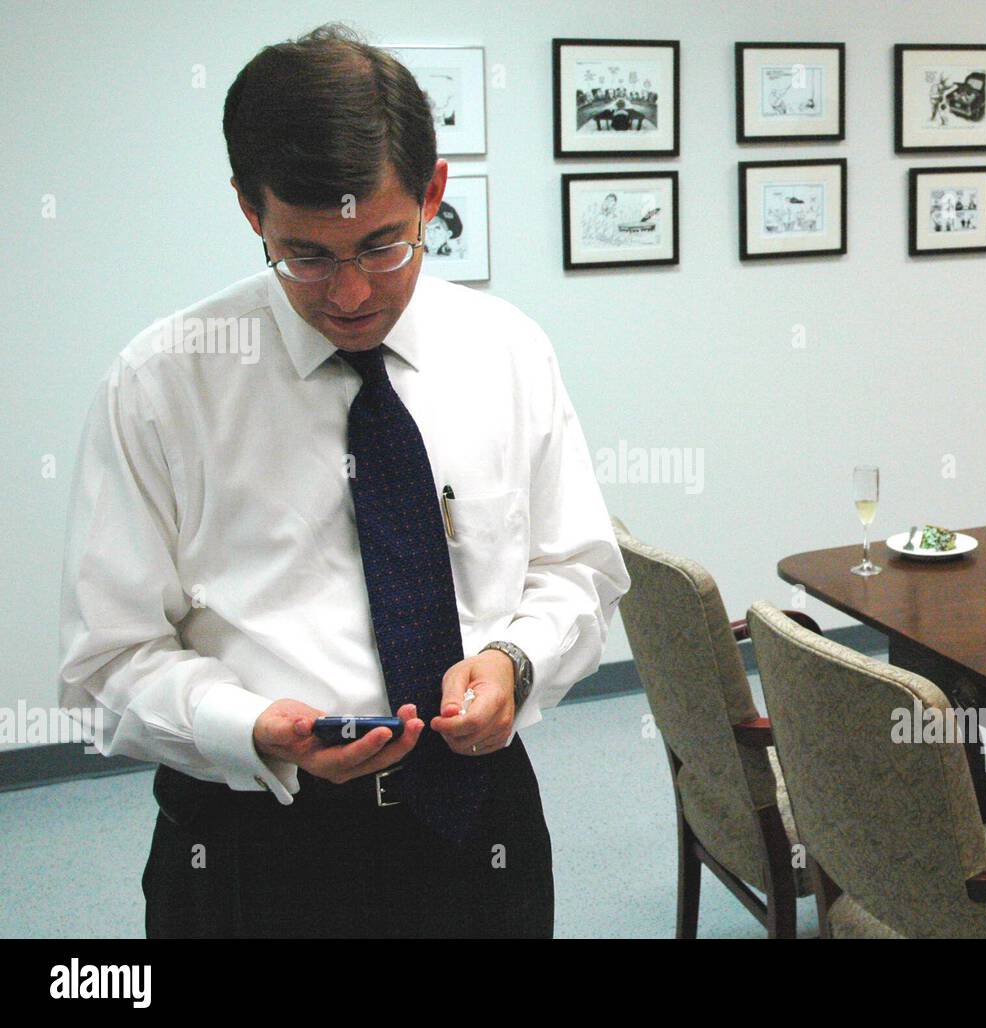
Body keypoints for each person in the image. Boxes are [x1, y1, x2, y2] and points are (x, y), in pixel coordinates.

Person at [57, 23, 630, 939]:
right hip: (255, 841)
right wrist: (246, 725)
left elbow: (577, 571)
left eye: (382, 246)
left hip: (478, 825)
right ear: (252, 210)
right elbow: (107, 663)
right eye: (308, 255)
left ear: (432, 195)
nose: (352, 294)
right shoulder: (164, 385)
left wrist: (516, 665)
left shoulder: (507, 351)